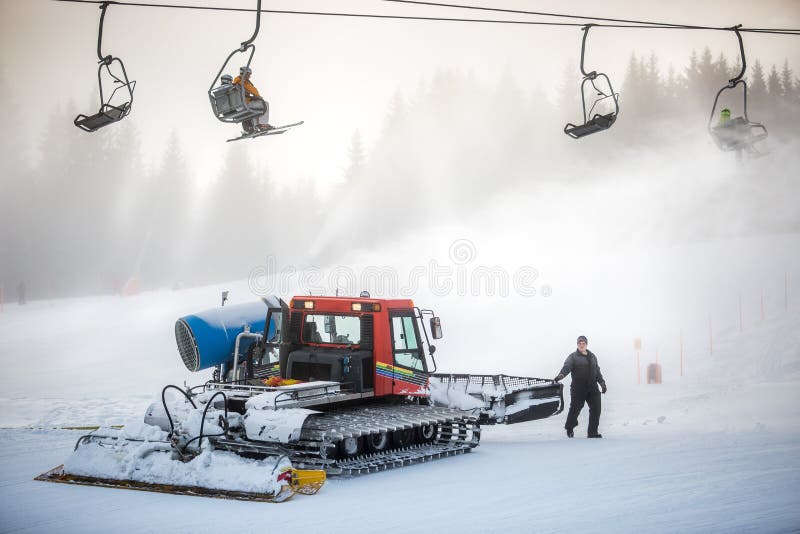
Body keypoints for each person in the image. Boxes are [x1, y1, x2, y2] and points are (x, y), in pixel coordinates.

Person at [554, 335, 607, 438]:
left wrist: (602, 383)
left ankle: (592, 432)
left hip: (592, 388)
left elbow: (597, 371)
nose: (582, 345)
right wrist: (561, 375)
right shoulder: (573, 357)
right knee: (575, 409)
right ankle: (570, 427)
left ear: (586, 344)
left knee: (596, 409)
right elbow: (566, 367)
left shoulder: (592, 356)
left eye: (583, 343)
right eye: (580, 343)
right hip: (578, 388)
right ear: (577, 345)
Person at [232, 66, 272, 132]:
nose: (249, 76)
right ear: (245, 73)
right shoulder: (243, 82)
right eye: (249, 74)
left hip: (238, 106)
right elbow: (255, 92)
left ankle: (255, 126)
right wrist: (257, 96)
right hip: (245, 104)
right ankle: (263, 124)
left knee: (255, 108)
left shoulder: (236, 83)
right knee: (265, 104)